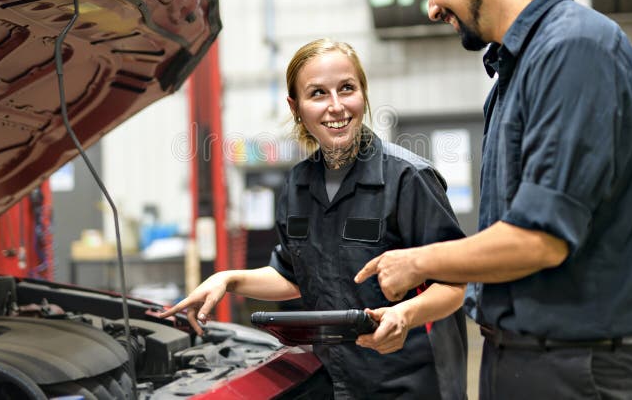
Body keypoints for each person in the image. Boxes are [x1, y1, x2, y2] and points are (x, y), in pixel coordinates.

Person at [354, 0, 632, 400]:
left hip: (578, 371)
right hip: (525, 360)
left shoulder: (574, 49)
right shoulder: (515, 70)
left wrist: (418, 261)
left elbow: (538, 239)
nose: (431, 7)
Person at [159, 38, 469, 399]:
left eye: (347, 88)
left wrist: (406, 314)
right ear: (295, 107)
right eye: (318, 93)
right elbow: (293, 276)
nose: (336, 106)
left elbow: (454, 285)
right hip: (335, 382)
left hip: (410, 383)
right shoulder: (298, 185)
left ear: (363, 94)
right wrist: (227, 279)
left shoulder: (408, 179)